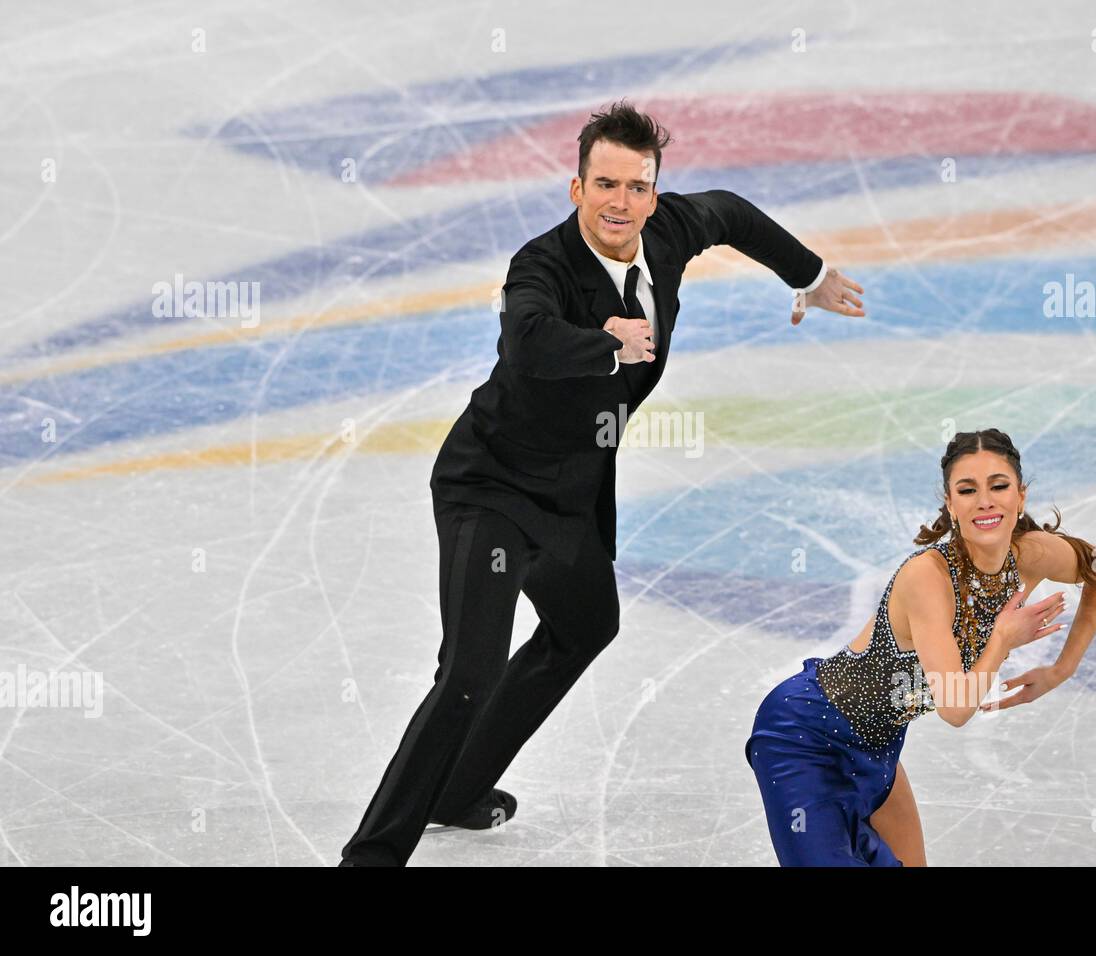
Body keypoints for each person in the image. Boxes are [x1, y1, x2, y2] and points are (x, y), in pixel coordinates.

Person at [339, 99, 867, 866]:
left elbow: (735, 217)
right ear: (576, 188)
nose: (621, 203)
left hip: (572, 495)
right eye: (605, 185)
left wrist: (809, 276)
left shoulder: (671, 230)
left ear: (654, 192)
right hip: (492, 485)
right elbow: (525, 341)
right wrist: (604, 342)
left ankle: (458, 790)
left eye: (637, 186)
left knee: (584, 626)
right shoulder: (543, 263)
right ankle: (374, 854)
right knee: (469, 672)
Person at [745, 428, 1096, 866]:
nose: (985, 501)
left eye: (999, 486)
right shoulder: (927, 577)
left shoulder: (1032, 555)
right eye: (967, 490)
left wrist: (1062, 669)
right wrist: (1003, 638)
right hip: (805, 736)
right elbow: (955, 708)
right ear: (951, 505)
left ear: (1021, 497)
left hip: (878, 749)